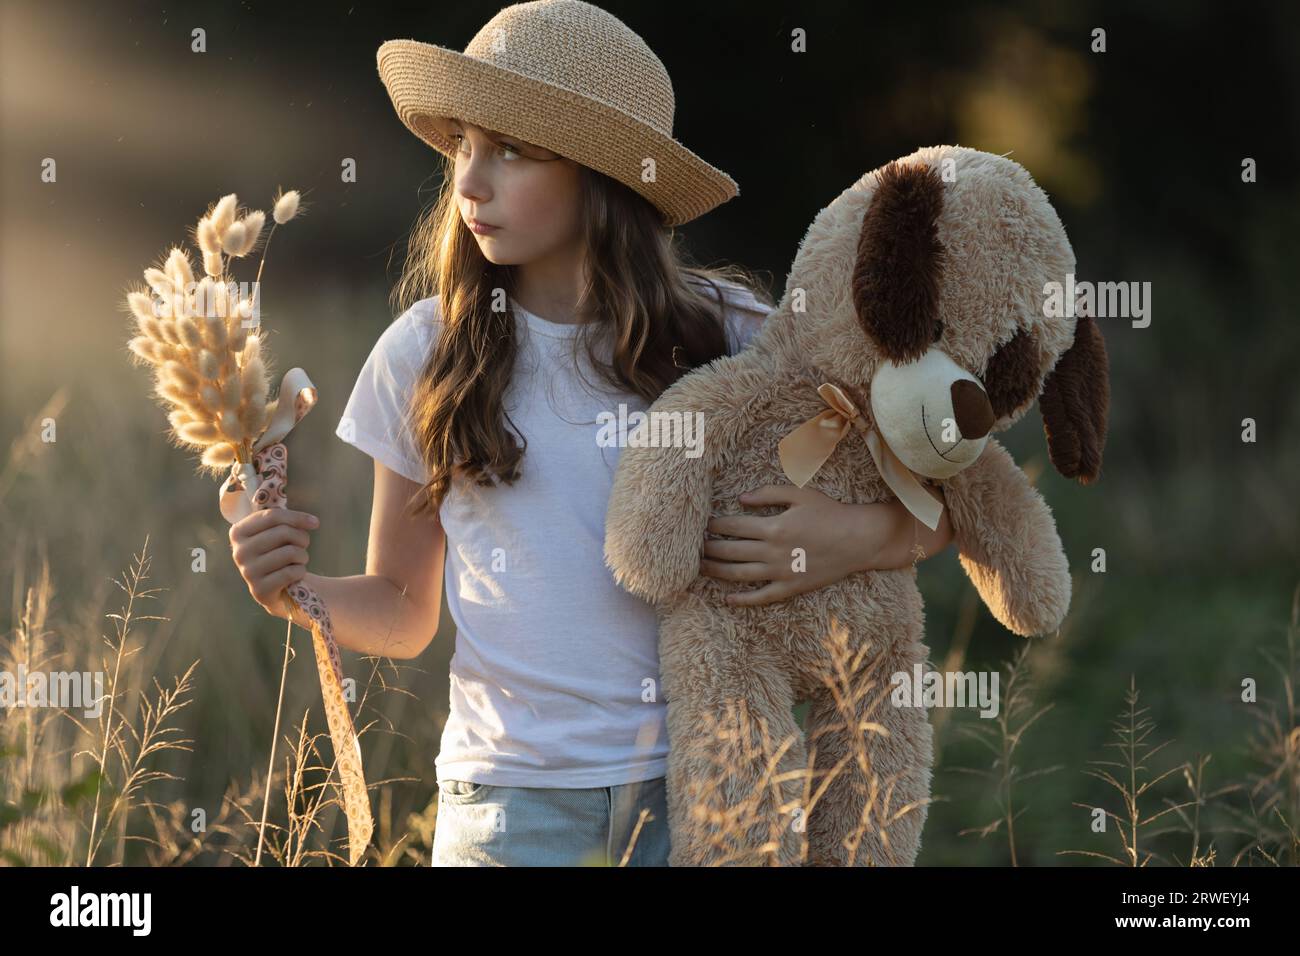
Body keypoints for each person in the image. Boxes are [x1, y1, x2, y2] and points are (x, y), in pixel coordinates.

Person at [227, 0, 954, 867]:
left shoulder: (738, 338)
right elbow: (403, 610)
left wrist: (851, 536)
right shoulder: (424, 353)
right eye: (464, 144)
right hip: (507, 810)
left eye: (512, 151)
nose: (468, 182)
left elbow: (946, 509)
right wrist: (294, 594)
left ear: (604, 176)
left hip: (712, 793)